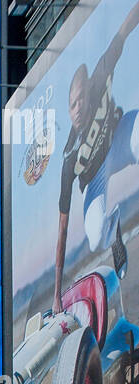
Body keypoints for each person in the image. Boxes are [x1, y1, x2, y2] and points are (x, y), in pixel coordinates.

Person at [53, 1, 139, 315]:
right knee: (94, 239)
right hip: (96, 174)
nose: (76, 109)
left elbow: (124, 30)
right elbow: (62, 232)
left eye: (80, 101)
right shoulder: (69, 157)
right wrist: (56, 293)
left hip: (119, 139)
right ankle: (114, 227)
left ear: (88, 92)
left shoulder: (100, 74)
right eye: (71, 105)